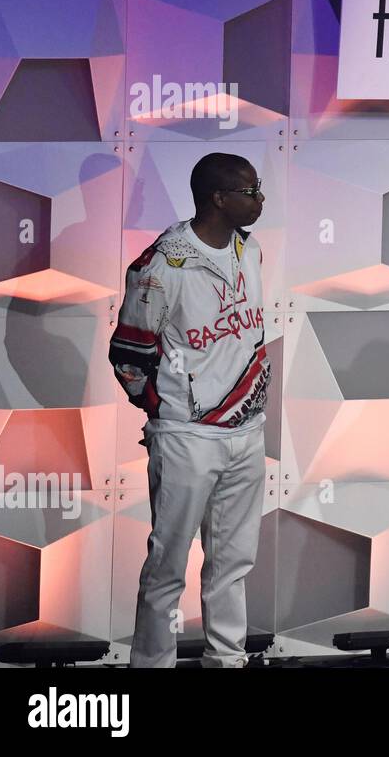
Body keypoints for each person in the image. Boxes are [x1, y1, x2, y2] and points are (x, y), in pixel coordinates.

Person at [109, 153, 271, 667]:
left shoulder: (250, 248)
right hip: (187, 437)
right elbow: (129, 357)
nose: (260, 200)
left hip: (248, 430)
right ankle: (150, 665)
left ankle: (227, 659)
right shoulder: (162, 264)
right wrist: (168, 413)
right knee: (167, 566)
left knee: (233, 562)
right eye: (250, 191)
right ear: (218, 199)